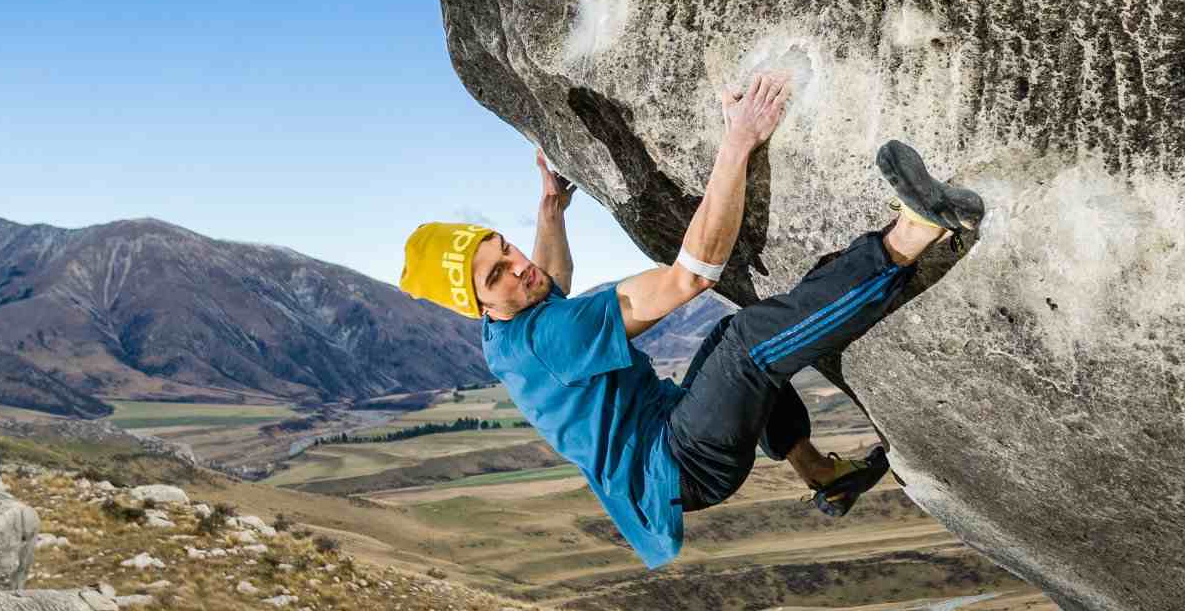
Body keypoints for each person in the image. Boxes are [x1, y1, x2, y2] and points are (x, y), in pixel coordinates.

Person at [398, 71, 985, 570]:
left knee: (734, 335)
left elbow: (549, 282)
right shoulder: (546, 337)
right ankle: (914, 234)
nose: (519, 266)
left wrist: (551, 208)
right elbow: (690, 277)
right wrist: (738, 142)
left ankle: (821, 474)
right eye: (496, 274)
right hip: (683, 463)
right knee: (750, 348)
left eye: (505, 248)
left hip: (672, 440)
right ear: (478, 303)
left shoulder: (503, 328)